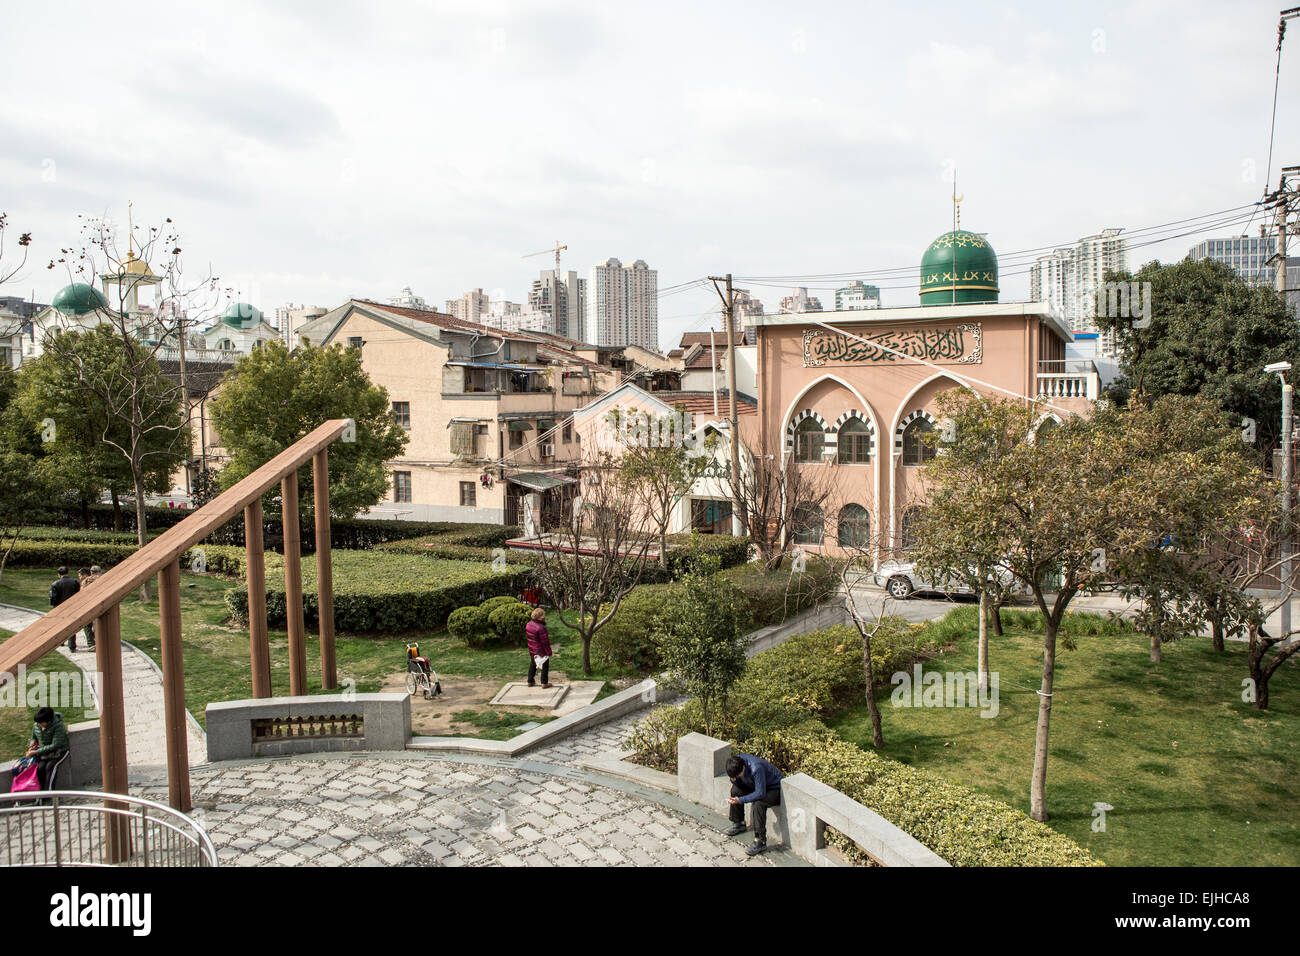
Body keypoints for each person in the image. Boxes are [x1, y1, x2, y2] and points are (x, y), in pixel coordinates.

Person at [724, 753, 784, 857]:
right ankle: (738, 823)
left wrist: (741, 800)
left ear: (743, 768)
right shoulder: (737, 763)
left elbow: (760, 793)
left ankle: (760, 841)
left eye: (738, 775)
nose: (737, 777)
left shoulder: (756, 768)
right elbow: (740, 784)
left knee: (758, 804)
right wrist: (734, 781)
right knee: (735, 790)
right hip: (755, 784)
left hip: (774, 789)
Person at [24, 706, 69, 791]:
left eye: (41, 722)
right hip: (44, 753)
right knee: (40, 767)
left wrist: (35, 752)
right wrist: (32, 745)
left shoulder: (58, 726)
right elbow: (34, 737)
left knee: (50, 767)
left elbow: (56, 745)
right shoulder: (36, 725)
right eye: (38, 722)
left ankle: (49, 792)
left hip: (59, 751)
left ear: (48, 721)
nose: (39, 724)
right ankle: (40, 791)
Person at [49, 566, 81, 652]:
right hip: (72, 607)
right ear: (68, 572)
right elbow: (79, 594)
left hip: (60, 607)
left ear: (59, 574)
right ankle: (72, 646)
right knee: (71, 626)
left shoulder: (55, 584)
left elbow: (53, 598)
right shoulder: (74, 582)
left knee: (60, 625)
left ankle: (61, 642)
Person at [525, 607, 552, 689]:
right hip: (541, 650)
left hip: (532, 649)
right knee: (545, 666)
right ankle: (544, 683)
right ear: (541, 617)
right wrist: (548, 652)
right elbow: (545, 642)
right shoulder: (541, 628)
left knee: (533, 664)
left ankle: (530, 681)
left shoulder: (529, 624)